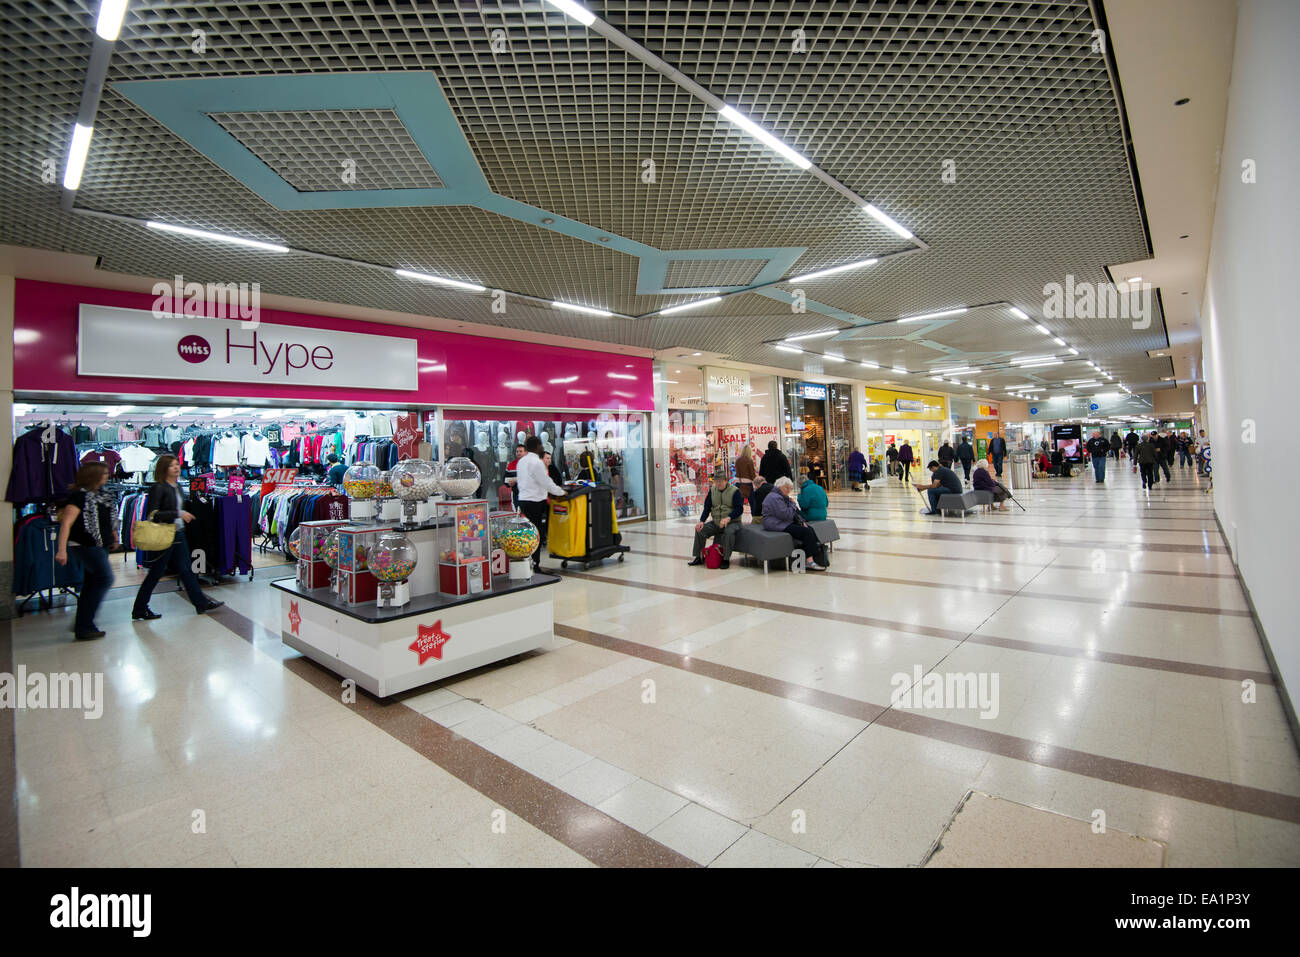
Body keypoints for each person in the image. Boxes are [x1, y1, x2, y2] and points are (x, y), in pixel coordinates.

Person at [132, 455, 225, 620]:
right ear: (163, 469)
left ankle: (200, 602)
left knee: (187, 570)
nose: (176, 468)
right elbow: (153, 515)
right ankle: (139, 608)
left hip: (178, 533)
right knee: (156, 573)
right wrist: (178, 513)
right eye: (171, 466)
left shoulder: (178, 487)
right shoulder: (158, 488)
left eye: (177, 465)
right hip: (164, 534)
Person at [54, 462, 120, 640]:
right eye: (103, 473)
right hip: (84, 545)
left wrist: (114, 536)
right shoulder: (79, 496)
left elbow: (108, 520)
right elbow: (66, 523)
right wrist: (61, 550)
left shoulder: (103, 495)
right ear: (93, 475)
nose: (107, 475)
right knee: (104, 578)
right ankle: (84, 625)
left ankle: (83, 624)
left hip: (100, 545)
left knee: (91, 584)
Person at [516, 436, 566, 572]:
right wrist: (561, 492)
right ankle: (535, 564)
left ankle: (527, 560)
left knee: (528, 532)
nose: (542, 447)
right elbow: (545, 481)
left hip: (523, 500)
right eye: (541, 445)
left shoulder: (521, 462)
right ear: (537, 446)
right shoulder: (536, 462)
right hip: (535, 502)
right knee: (537, 533)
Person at [761, 477, 826, 570]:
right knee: (805, 532)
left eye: (790, 488)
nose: (789, 491)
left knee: (809, 529)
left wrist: (801, 521)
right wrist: (792, 504)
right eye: (787, 488)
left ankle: (812, 556)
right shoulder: (774, 497)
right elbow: (786, 515)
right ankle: (810, 561)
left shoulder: (781, 496)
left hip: (782, 522)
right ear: (781, 487)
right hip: (775, 523)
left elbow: (792, 513)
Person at [687, 468, 743, 569]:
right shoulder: (712, 491)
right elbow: (707, 507)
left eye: (721, 481)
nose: (718, 484)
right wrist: (701, 521)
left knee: (729, 532)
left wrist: (728, 518)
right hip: (717, 522)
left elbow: (739, 509)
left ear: (726, 481)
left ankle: (726, 559)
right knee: (700, 530)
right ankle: (699, 557)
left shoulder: (735, 491)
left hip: (732, 522)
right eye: (716, 482)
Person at [504, 442, 526, 507]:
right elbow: (505, 479)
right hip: (516, 494)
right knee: (517, 513)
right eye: (517, 451)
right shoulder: (511, 465)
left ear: (525, 453)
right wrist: (509, 484)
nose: (518, 453)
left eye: (520, 451)